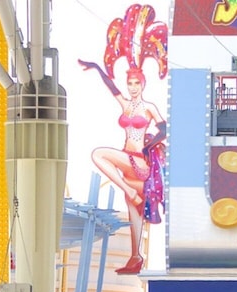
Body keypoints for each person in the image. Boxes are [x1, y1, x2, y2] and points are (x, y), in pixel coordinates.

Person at [80, 5, 169, 274]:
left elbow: (165, 129)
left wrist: (149, 144)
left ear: (142, 84)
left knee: (98, 154)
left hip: (137, 161)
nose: (131, 87)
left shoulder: (149, 107)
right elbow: (111, 87)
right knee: (134, 218)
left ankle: (129, 190)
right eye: (129, 83)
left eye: (135, 83)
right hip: (128, 168)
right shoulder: (125, 105)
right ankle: (135, 257)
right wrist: (96, 67)